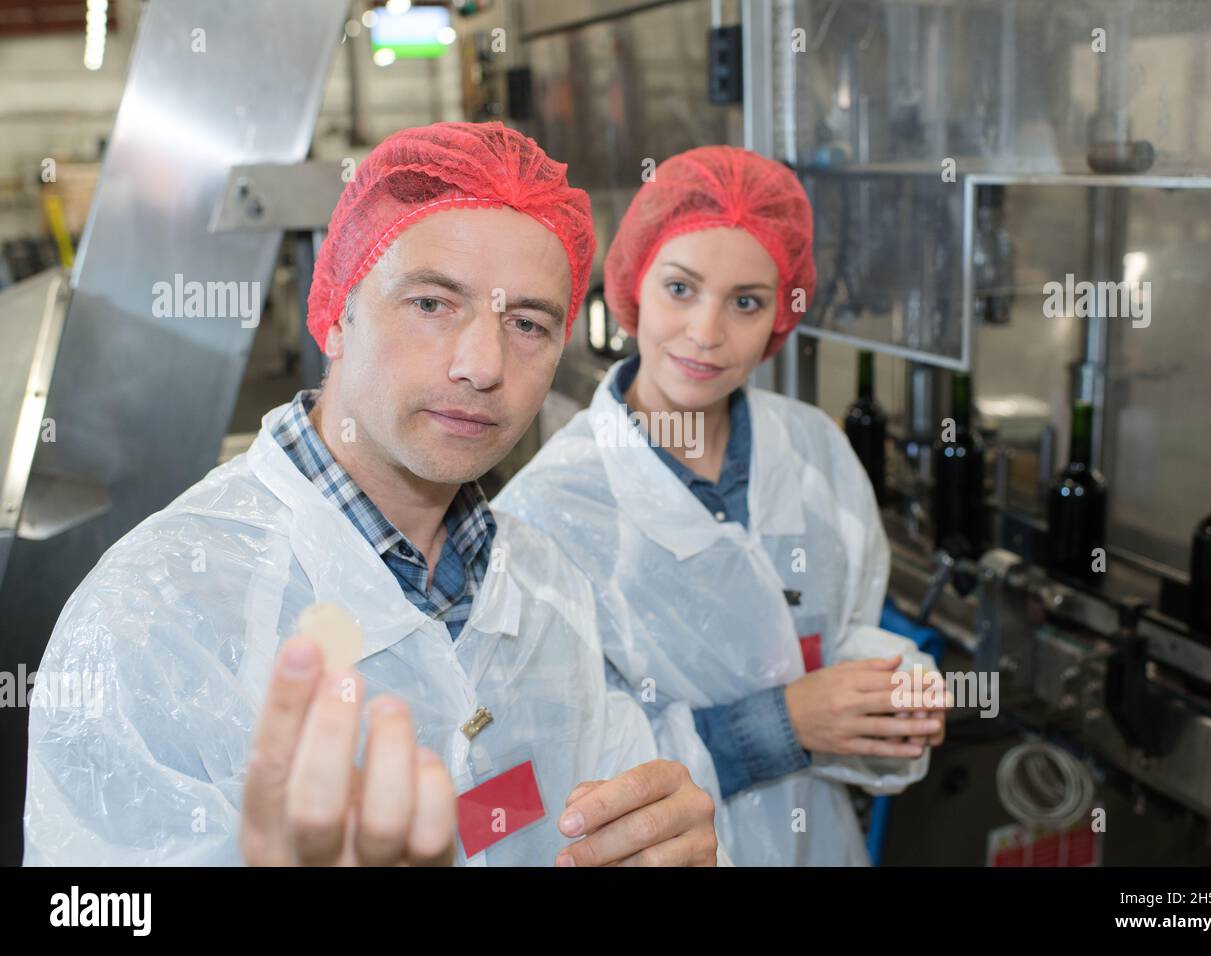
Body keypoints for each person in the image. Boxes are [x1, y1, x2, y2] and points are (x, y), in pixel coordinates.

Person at [23, 122, 719, 867]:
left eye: (527, 322)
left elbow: (536, 816)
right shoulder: (157, 613)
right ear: (337, 310)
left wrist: (665, 843)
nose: (483, 366)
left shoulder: (547, 588)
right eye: (431, 303)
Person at [495, 145, 948, 866]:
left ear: (779, 314)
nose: (707, 333)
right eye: (681, 288)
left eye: (745, 302)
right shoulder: (548, 513)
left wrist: (881, 696)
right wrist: (787, 724)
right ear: (636, 283)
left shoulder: (814, 451)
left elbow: (845, 627)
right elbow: (545, 783)